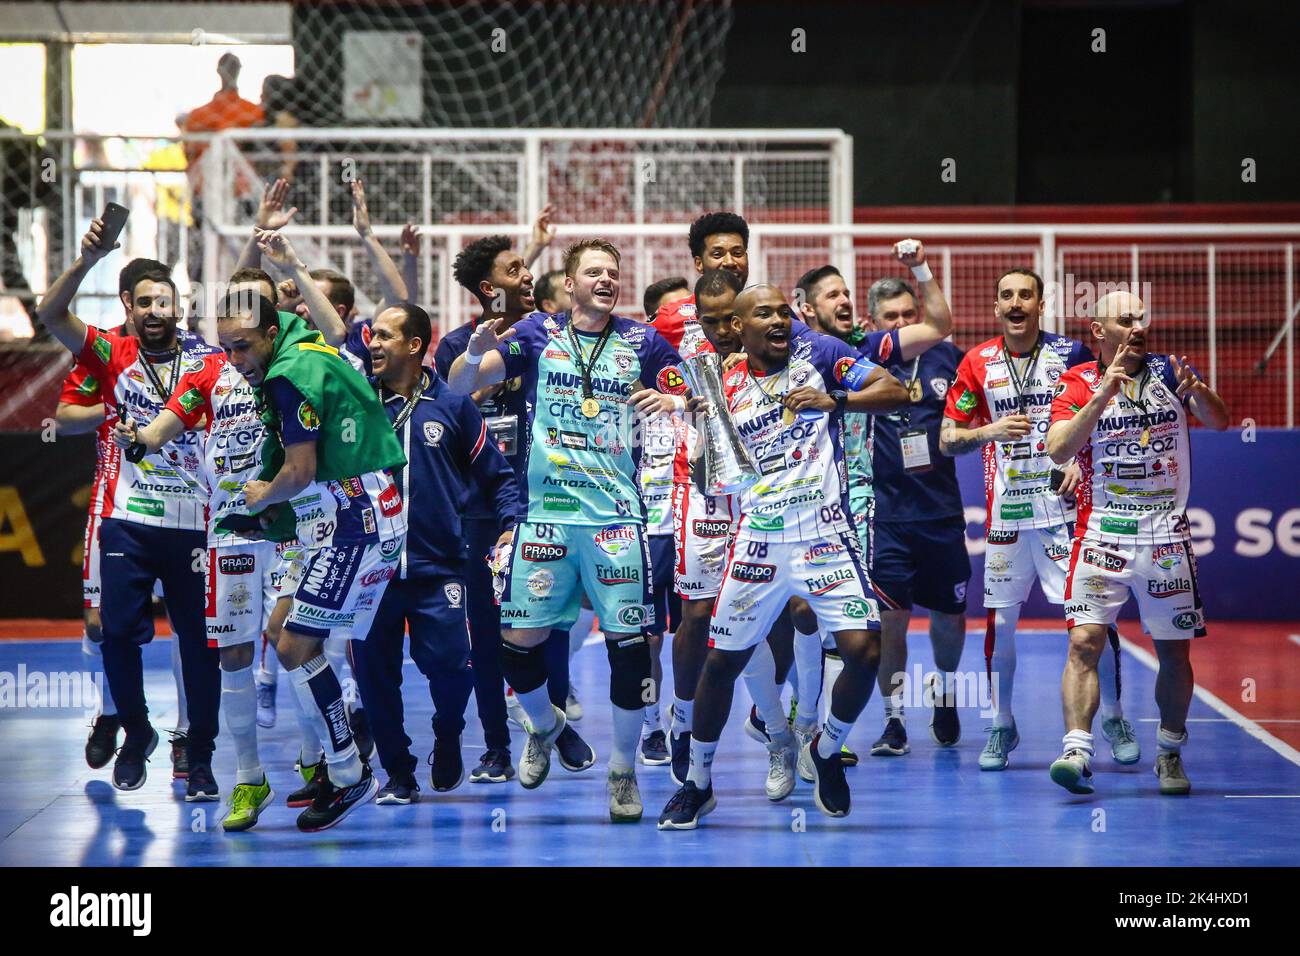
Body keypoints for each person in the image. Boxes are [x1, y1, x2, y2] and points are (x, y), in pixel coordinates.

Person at [448, 238, 683, 822]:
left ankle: (623, 771)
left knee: (630, 654)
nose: (606, 280)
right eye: (593, 272)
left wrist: (672, 400)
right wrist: (475, 354)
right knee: (516, 646)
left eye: (613, 272)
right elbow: (457, 386)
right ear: (571, 283)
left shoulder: (642, 341)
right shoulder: (536, 332)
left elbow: (693, 396)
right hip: (546, 516)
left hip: (616, 520)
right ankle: (545, 725)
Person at [657, 285, 908, 830]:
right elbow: (710, 475)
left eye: (782, 311)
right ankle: (698, 783)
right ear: (738, 329)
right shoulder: (720, 383)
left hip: (824, 532)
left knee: (865, 652)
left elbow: (895, 391)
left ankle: (824, 747)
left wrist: (835, 400)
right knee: (722, 662)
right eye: (762, 313)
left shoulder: (819, 353)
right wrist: (706, 445)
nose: (777, 319)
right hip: (757, 539)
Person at [36, 224, 224, 795]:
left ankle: (202, 755)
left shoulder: (210, 359)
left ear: (177, 307)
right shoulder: (113, 354)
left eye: (163, 301)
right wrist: (87, 257)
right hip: (129, 517)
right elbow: (50, 314)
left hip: (195, 521)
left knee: (198, 643)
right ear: (130, 308)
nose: (154, 310)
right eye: (144, 302)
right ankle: (135, 729)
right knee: (115, 632)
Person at [217, 293, 408, 830]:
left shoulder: (286, 375)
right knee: (283, 630)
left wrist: (259, 496)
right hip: (347, 513)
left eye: (243, 347)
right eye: (226, 349)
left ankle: (349, 771)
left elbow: (298, 473)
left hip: (352, 522)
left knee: (298, 645)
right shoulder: (311, 349)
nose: (235, 361)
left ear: (270, 334)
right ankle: (334, 761)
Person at [941, 268, 1137, 770]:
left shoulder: (1070, 355)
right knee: (1001, 624)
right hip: (1007, 517)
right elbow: (947, 438)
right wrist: (990, 430)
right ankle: (1002, 725)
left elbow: (1100, 412)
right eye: (1005, 295)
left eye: (1025, 294)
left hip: (1064, 515)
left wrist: (1074, 457)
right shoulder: (976, 361)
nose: (1015, 302)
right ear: (995, 307)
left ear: (1040, 303)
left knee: (1089, 622)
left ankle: (1112, 716)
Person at [1046, 291, 1228, 795]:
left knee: (1174, 653)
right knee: (1084, 642)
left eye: (1141, 318)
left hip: (1165, 534)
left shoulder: (1171, 373)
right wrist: (1104, 391)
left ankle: (1169, 752)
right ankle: (1077, 750)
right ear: (1098, 332)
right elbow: (1059, 446)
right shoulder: (1077, 382)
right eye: (1125, 319)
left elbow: (1219, 421)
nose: (1137, 326)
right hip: (1101, 530)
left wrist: (1201, 392)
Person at [435, 234, 596, 783]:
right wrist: (479, 381)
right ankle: (500, 746)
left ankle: (551, 722)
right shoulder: (458, 345)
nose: (528, 275)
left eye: (527, 266)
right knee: (484, 633)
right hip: (477, 508)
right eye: (515, 268)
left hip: (541, 501)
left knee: (543, 622)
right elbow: (449, 416)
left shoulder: (551, 333)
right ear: (489, 288)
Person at [354, 303, 519, 803]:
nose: (373, 344)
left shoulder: (452, 405)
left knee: (452, 667)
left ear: (414, 345)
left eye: (385, 336)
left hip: (439, 566)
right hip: (368, 571)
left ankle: (448, 733)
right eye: (370, 336)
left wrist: (511, 526)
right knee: (373, 679)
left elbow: (497, 475)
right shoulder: (356, 401)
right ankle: (399, 773)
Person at [856, 252, 968, 759]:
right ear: (874, 323)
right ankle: (893, 718)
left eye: (908, 315)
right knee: (890, 620)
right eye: (891, 319)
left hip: (941, 513)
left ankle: (945, 691)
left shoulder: (949, 358)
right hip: (886, 518)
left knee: (948, 614)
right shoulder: (860, 362)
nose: (902, 324)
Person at [635, 276, 694, 765]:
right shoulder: (629, 370)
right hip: (647, 524)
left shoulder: (714, 371)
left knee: (698, 628)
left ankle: (686, 719)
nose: (685, 325)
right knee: (649, 634)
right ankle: (651, 724)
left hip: (703, 519)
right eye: (674, 317)